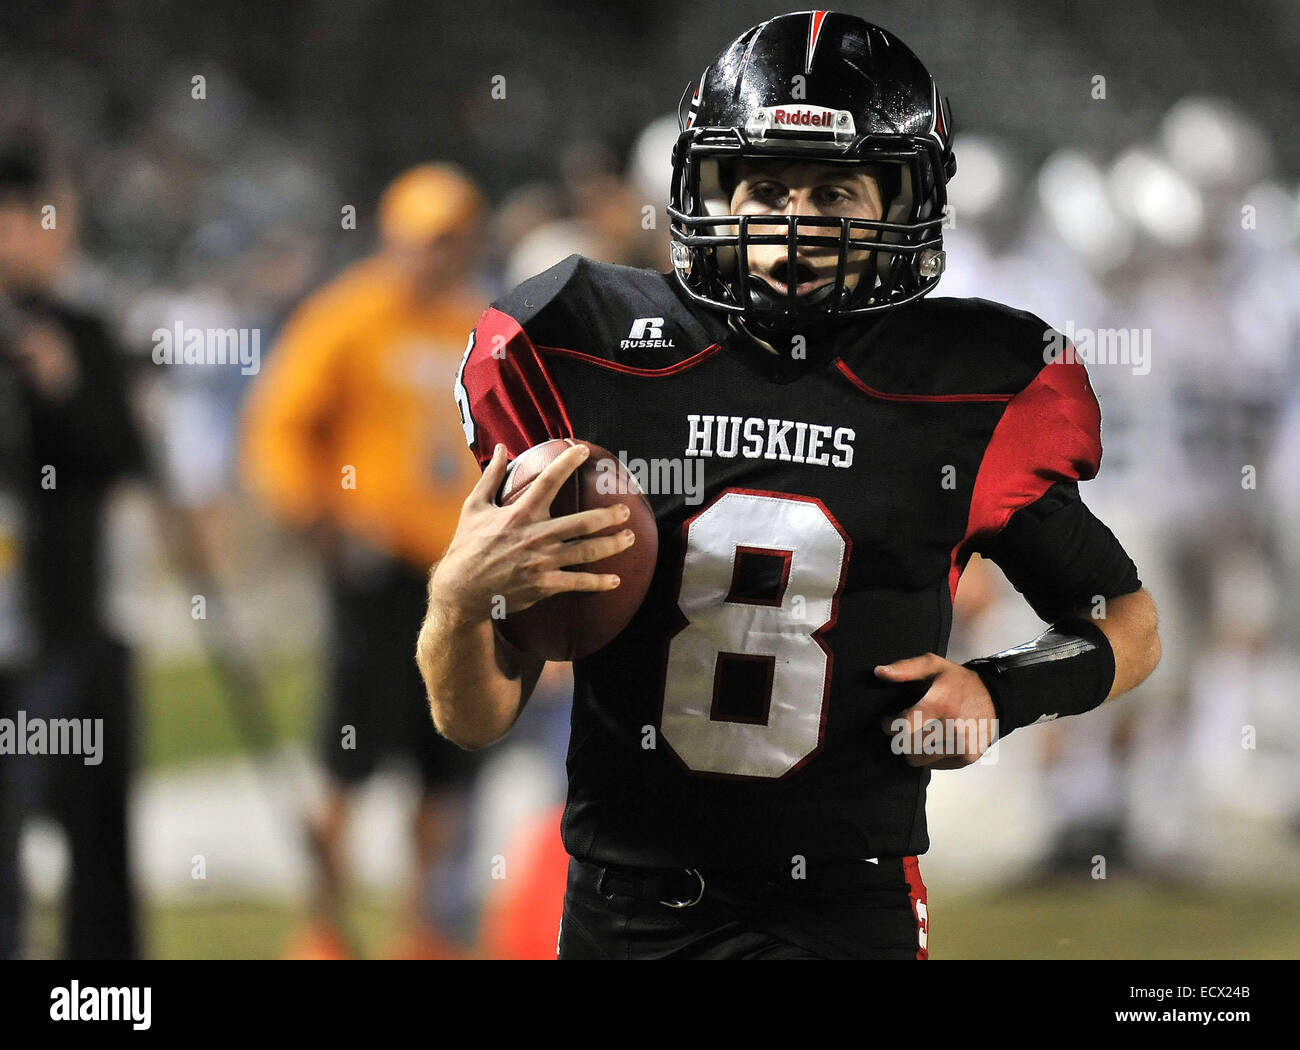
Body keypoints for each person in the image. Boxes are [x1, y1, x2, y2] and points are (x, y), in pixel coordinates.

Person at [418, 12, 1161, 960]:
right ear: (710, 191)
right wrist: (458, 595)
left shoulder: (965, 383)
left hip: (843, 912)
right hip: (628, 907)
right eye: (765, 185)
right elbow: (470, 718)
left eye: (836, 189)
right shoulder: (587, 351)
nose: (796, 221)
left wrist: (997, 691)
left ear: (900, 200)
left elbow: (1128, 624)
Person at [241, 163, 486, 958]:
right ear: (392, 237)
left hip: (457, 574)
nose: (433, 256)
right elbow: (279, 424)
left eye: (448, 240)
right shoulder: (348, 317)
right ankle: (321, 925)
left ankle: (420, 928)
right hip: (375, 573)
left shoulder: (480, 324)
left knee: (444, 764)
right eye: (421, 240)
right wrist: (313, 512)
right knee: (345, 760)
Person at [0, 147, 146, 958]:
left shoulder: (80, 332)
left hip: (71, 624)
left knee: (95, 832)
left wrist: (62, 382)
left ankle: (102, 998)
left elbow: (124, 453)